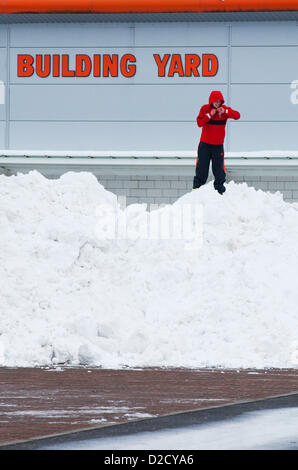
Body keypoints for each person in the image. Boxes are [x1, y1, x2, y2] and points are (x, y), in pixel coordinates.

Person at [193, 90, 240, 194]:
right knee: (202, 167)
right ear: (211, 101)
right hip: (205, 145)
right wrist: (209, 115)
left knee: (219, 169)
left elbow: (237, 116)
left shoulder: (224, 110)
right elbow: (199, 123)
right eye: (215, 101)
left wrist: (226, 112)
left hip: (218, 146)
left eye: (219, 101)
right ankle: (197, 189)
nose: (217, 103)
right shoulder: (205, 108)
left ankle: (219, 191)